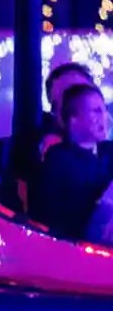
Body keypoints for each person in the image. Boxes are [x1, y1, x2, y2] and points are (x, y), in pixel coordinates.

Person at [31, 83, 113, 241]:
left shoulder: (109, 151)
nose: (103, 118)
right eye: (95, 111)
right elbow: (49, 215)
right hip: (76, 247)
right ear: (73, 119)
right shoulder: (58, 160)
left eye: (104, 110)